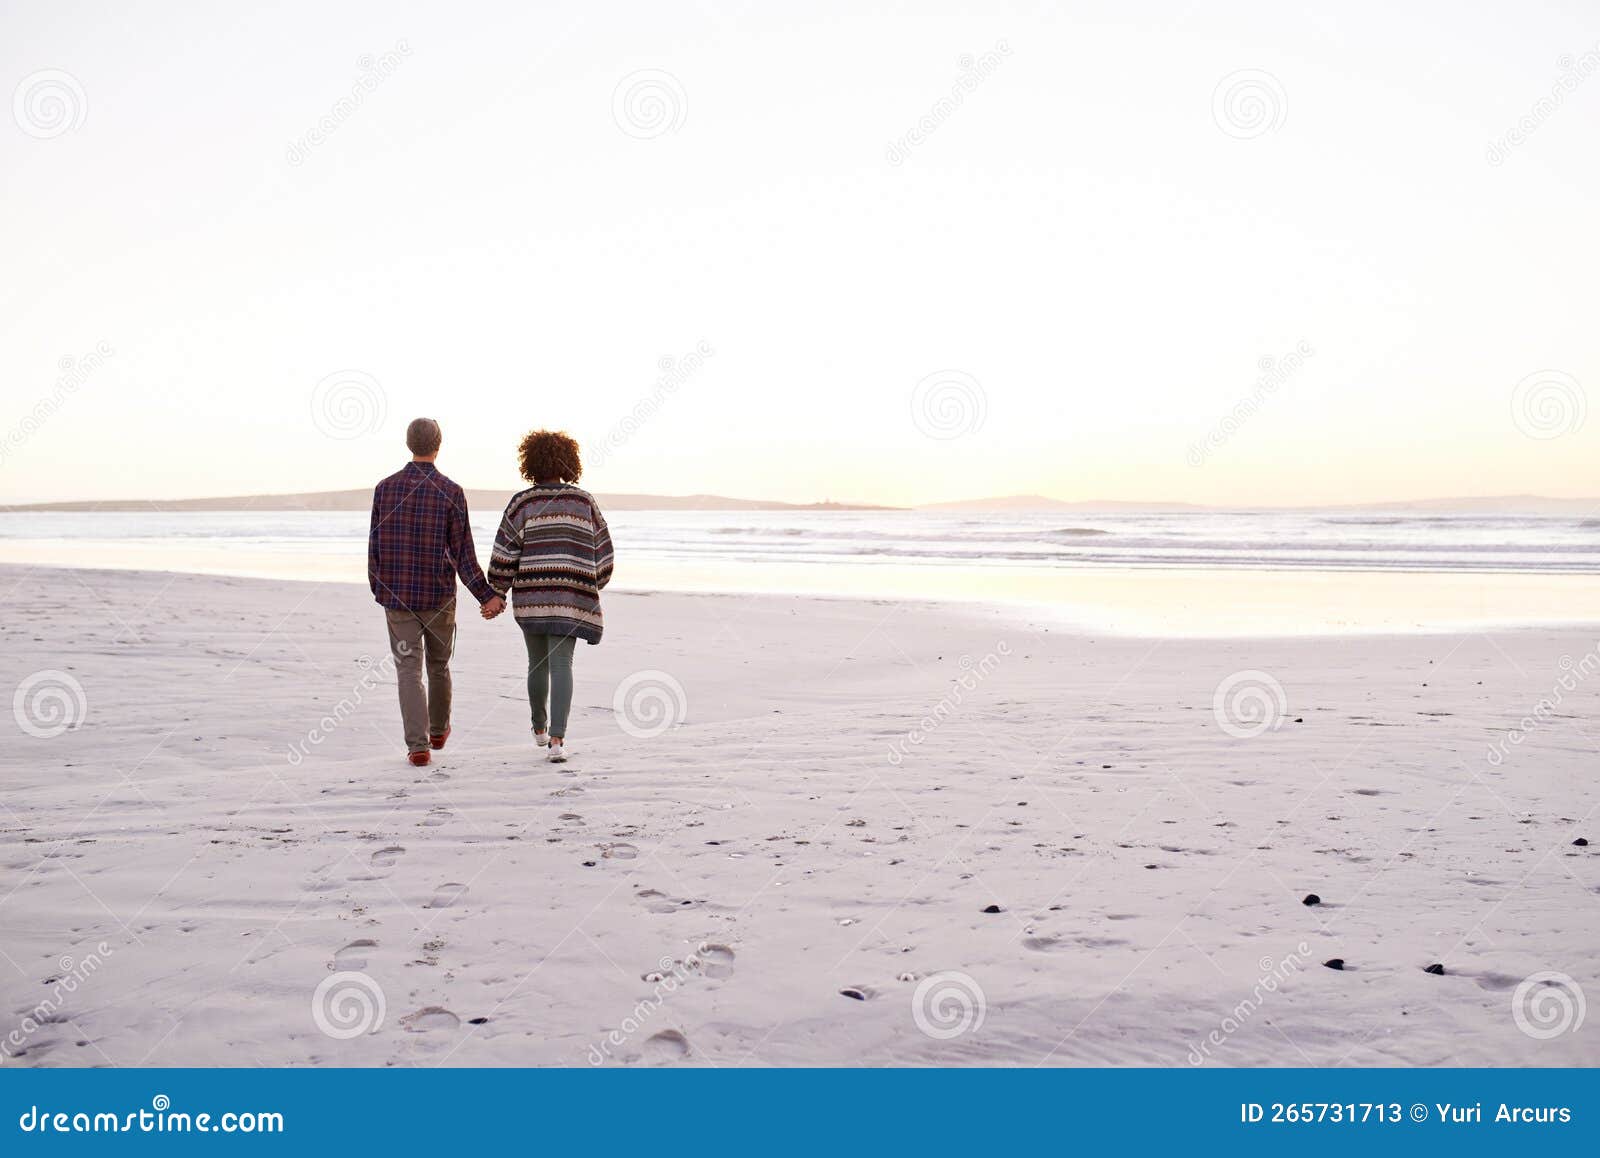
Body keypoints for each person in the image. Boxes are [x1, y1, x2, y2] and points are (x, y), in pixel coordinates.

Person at [368, 418, 505, 766]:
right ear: (438, 445)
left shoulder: (385, 488)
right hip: (439, 595)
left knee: (408, 669)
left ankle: (418, 747)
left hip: (397, 595)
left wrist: (378, 587)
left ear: (408, 443)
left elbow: (375, 545)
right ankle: (438, 730)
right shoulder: (451, 491)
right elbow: (463, 554)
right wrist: (487, 595)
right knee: (439, 665)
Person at [487, 430, 613, 764]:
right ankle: (558, 741)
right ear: (568, 461)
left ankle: (539, 729)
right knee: (562, 664)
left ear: (530, 462)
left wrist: (497, 590)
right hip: (571, 596)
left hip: (531, 596)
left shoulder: (522, 503)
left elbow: (504, 552)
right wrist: (590, 582)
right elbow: (604, 552)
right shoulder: (583, 502)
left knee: (536, 663)